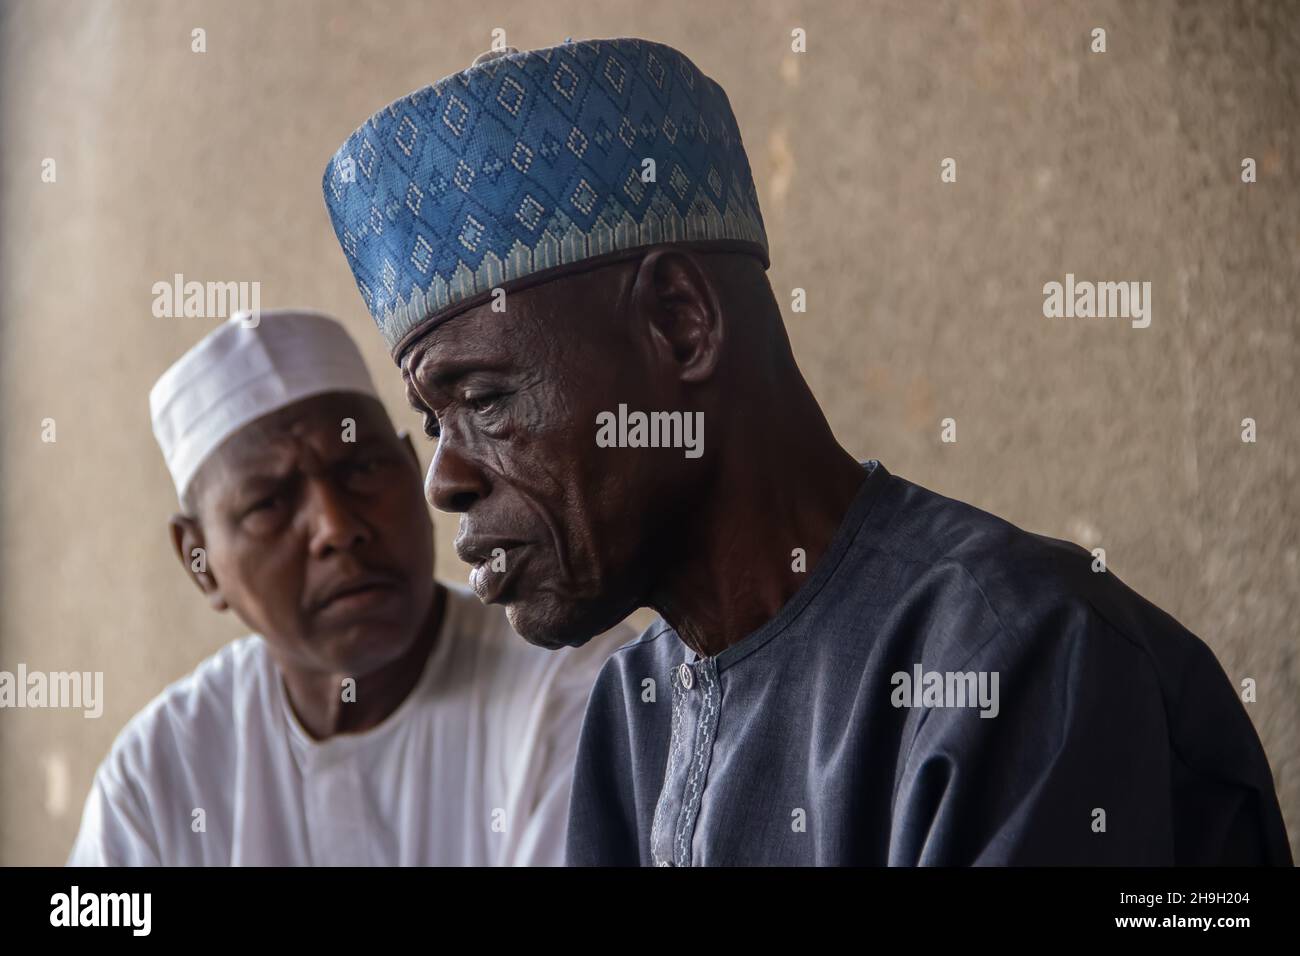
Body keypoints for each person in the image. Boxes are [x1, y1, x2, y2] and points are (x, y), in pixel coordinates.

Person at [320, 38, 1292, 865]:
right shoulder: (636, 708)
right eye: (433, 420)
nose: (444, 475)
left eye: (483, 398)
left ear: (679, 321)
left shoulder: (1024, 659)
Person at [68, 309, 627, 866]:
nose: (337, 528)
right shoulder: (157, 774)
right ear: (201, 563)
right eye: (269, 503)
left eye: (361, 471)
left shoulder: (575, 682)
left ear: (417, 472)